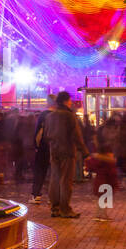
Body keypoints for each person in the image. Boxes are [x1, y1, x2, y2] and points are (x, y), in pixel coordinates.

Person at [44, 90, 87, 218]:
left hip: (54, 151)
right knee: (66, 181)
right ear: (65, 101)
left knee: (55, 179)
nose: (70, 103)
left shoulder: (50, 116)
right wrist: (84, 151)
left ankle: (55, 208)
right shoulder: (69, 116)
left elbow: (46, 135)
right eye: (69, 100)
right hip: (67, 151)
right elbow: (76, 136)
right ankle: (65, 209)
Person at [84, 139, 119, 222]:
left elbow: (90, 165)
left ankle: (99, 215)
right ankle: (102, 215)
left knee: (101, 200)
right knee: (104, 201)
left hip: (100, 182)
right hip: (106, 183)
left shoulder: (98, 160)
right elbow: (112, 174)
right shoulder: (108, 162)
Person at [31, 107, 51, 203]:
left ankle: (36, 195)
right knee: (53, 174)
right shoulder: (57, 116)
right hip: (54, 149)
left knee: (39, 172)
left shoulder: (43, 117)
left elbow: (38, 136)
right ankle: (53, 197)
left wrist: (36, 147)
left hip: (43, 149)